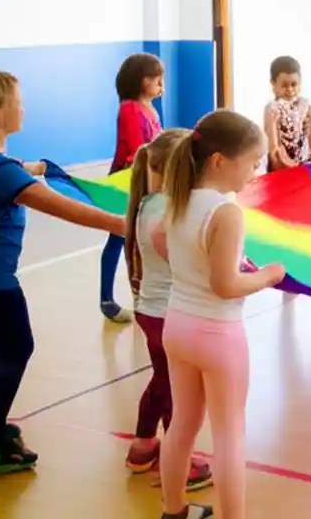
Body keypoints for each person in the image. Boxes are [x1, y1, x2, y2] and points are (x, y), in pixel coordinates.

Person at [0, 68, 126, 475]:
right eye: (17, 103)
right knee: (15, 349)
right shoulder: (2, 173)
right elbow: (66, 209)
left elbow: (4, 166)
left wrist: (36, 166)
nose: (23, 108)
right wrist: (120, 224)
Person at [157, 111, 287, 519]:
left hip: (177, 325)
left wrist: (192, 265)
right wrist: (267, 276)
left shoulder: (178, 198)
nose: (255, 171)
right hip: (218, 335)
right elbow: (226, 286)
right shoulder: (227, 212)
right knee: (230, 435)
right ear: (219, 161)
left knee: (183, 423)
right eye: (252, 162)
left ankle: (174, 509)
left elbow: (160, 238)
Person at [121, 129, 213, 491]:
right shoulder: (170, 213)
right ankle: (181, 462)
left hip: (151, 309)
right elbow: (183, 258)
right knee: (179, 388)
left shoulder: (148, 203)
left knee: (162, 381)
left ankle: (143, 447)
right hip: (168, 313)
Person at [100, 52, 166, 323]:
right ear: (141, 81)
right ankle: (107, 298)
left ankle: (144, 295)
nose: (162, 84)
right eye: (156, 79)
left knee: (142, 242)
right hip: (128, 183)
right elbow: (138, 152)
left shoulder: (150, 109)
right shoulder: (129, 109)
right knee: (120, 239)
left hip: (148, 184)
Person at [264, 55, 311, 170]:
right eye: (284, 85)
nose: (290, 90)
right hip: (280, 165)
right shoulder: (272, 108)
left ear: (300, 82)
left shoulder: (306, 105)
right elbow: (273, 147)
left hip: (302, 162)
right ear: (273, 83)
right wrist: (278, 161)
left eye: (294, 84)